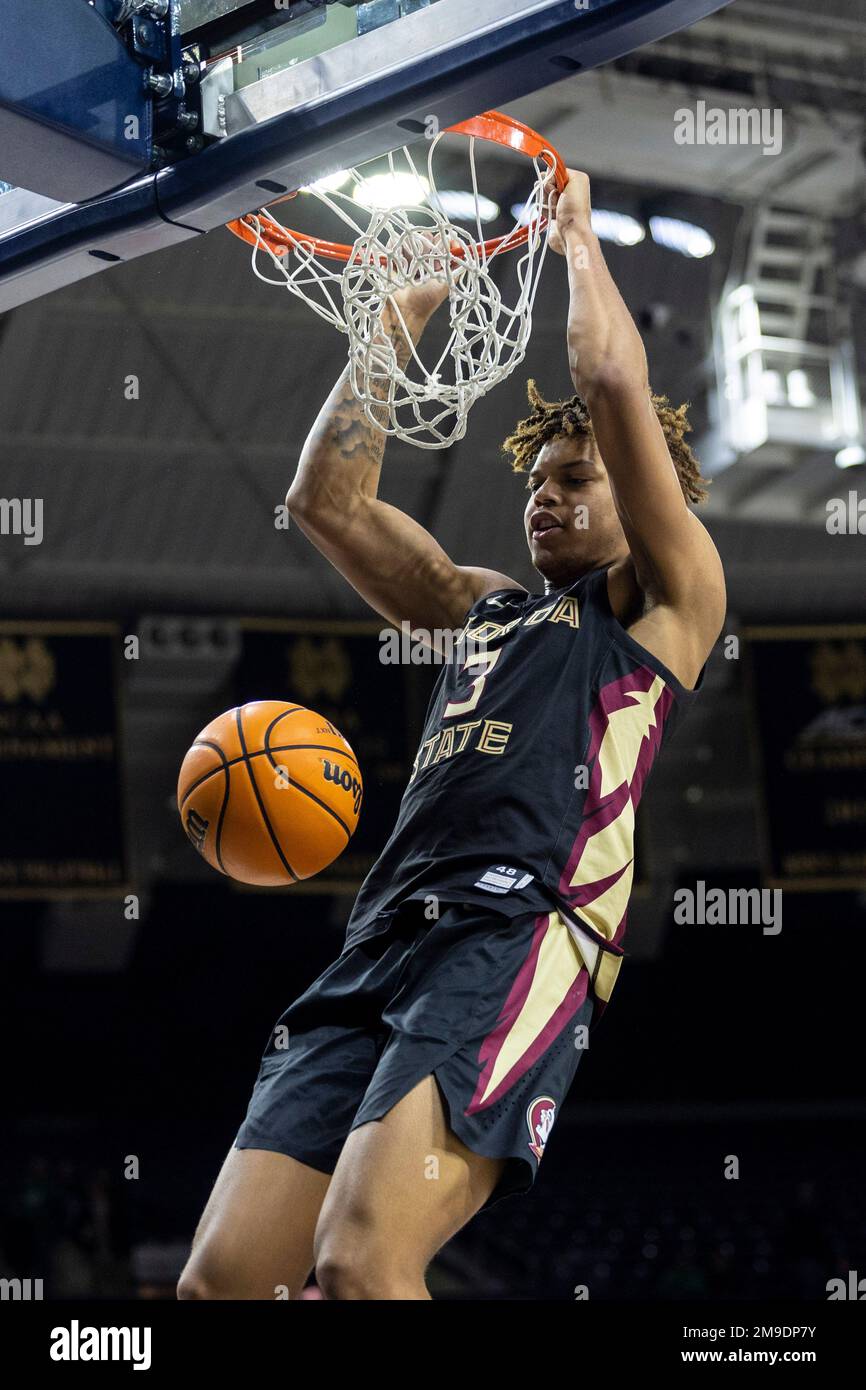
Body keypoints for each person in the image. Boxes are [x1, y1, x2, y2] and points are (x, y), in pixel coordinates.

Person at [177, 169, 726, 1301]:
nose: (544, 497)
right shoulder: (482, 608)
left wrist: (574, 239)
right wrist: (395, 317)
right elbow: (326, 502)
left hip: (519, 930)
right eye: (533, 483)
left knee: (361, 1259)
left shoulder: (665, 602)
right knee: (224, 1281)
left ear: (647, 491)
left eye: (574, 478)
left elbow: (609, 373)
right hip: (382, 938)